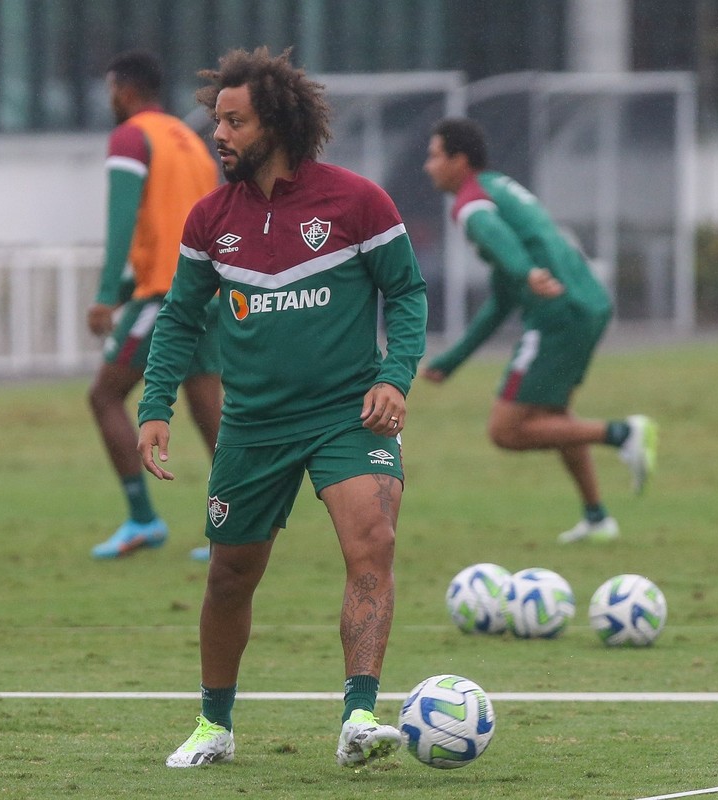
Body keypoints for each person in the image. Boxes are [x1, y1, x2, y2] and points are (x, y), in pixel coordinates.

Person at [136, 47, 427, 769]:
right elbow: (177, 319)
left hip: (345, 414)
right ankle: (215, 726)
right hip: (254, 424)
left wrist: (395, 376)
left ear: (279, 123)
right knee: (230, 576)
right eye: (217, 120)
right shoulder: (211, 221)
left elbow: (409, 293)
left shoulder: (359, 203)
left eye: (235, 121)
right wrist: (155, 406)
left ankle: (360, 715)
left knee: (374, 542)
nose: (220, 134)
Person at [420, 117, 658, 544]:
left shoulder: (471, 204)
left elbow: (495, 239)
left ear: (459, 160)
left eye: (435, 155)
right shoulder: (500, 187)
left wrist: (526, 272)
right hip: (587, 303)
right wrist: (452, 360)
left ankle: (624, 433)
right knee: (553, 418)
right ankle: (597, 517)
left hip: (557, 313)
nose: (428, 166)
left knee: (506, 430)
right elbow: (502, 297)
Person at [87, 50, 223, 562]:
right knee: (209, 409)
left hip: (168, 298)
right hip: (206, 289)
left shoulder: (130, 137)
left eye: (110, 91)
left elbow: (121, 222)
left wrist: (106, 297)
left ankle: (142, 519)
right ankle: (238, 522)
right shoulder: (189, 139)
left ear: (123, 90)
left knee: (104, 397)